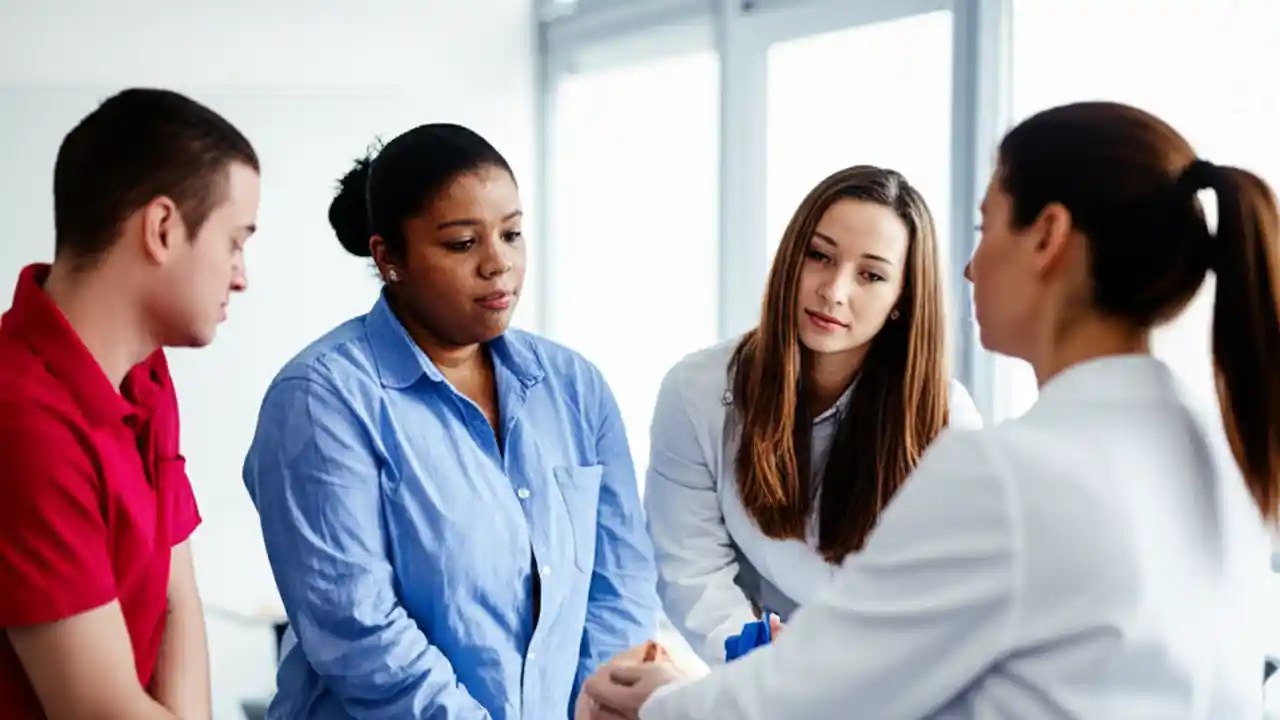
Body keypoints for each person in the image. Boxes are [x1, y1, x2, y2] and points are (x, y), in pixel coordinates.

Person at [584, 100, 1280, 718]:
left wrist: (661, 704)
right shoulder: (1227, 457)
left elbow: (816, 697)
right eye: (821, 259)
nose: (971, 267)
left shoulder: (1007, 476)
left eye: (986, 226)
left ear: (1047, 237)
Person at [243, 123, 659, 719]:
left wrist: (597, 707)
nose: (499, 264)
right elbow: (359, 632)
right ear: (390, 257)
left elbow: (619, 586)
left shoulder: (574, 387)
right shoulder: (322, 399)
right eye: (463, 244)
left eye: (512, 234)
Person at [645, 165, 982, 664]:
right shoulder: (696, 391)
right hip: (756, 670)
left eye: (871, 274)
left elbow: (941, 602)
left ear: (901, 299)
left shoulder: (946, 421)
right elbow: (692, 574)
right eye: (820, 256)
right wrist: (769, 669)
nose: (834, 290)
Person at [0, 88, 260, 719]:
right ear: (162, 228)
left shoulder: (145, 372)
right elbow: (98, 709)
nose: (241, 274)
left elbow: (178, 594)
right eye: (234, 241)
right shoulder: (21, 417)